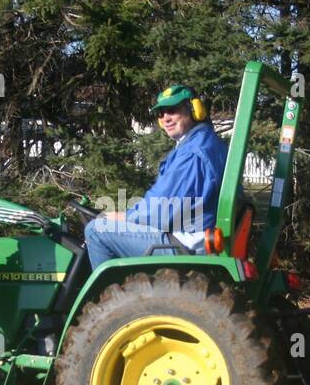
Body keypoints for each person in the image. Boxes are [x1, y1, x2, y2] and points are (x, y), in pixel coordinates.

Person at [84, 85, 230, 269]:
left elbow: (161, 210)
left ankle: (109, 296)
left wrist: (124, 217)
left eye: (172, 110)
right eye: (161, 113)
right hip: (191, 234)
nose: (165, 118)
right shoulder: (203, 142)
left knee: (96, 230)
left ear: (195, 110)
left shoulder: (192, 153)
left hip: (184, 244)